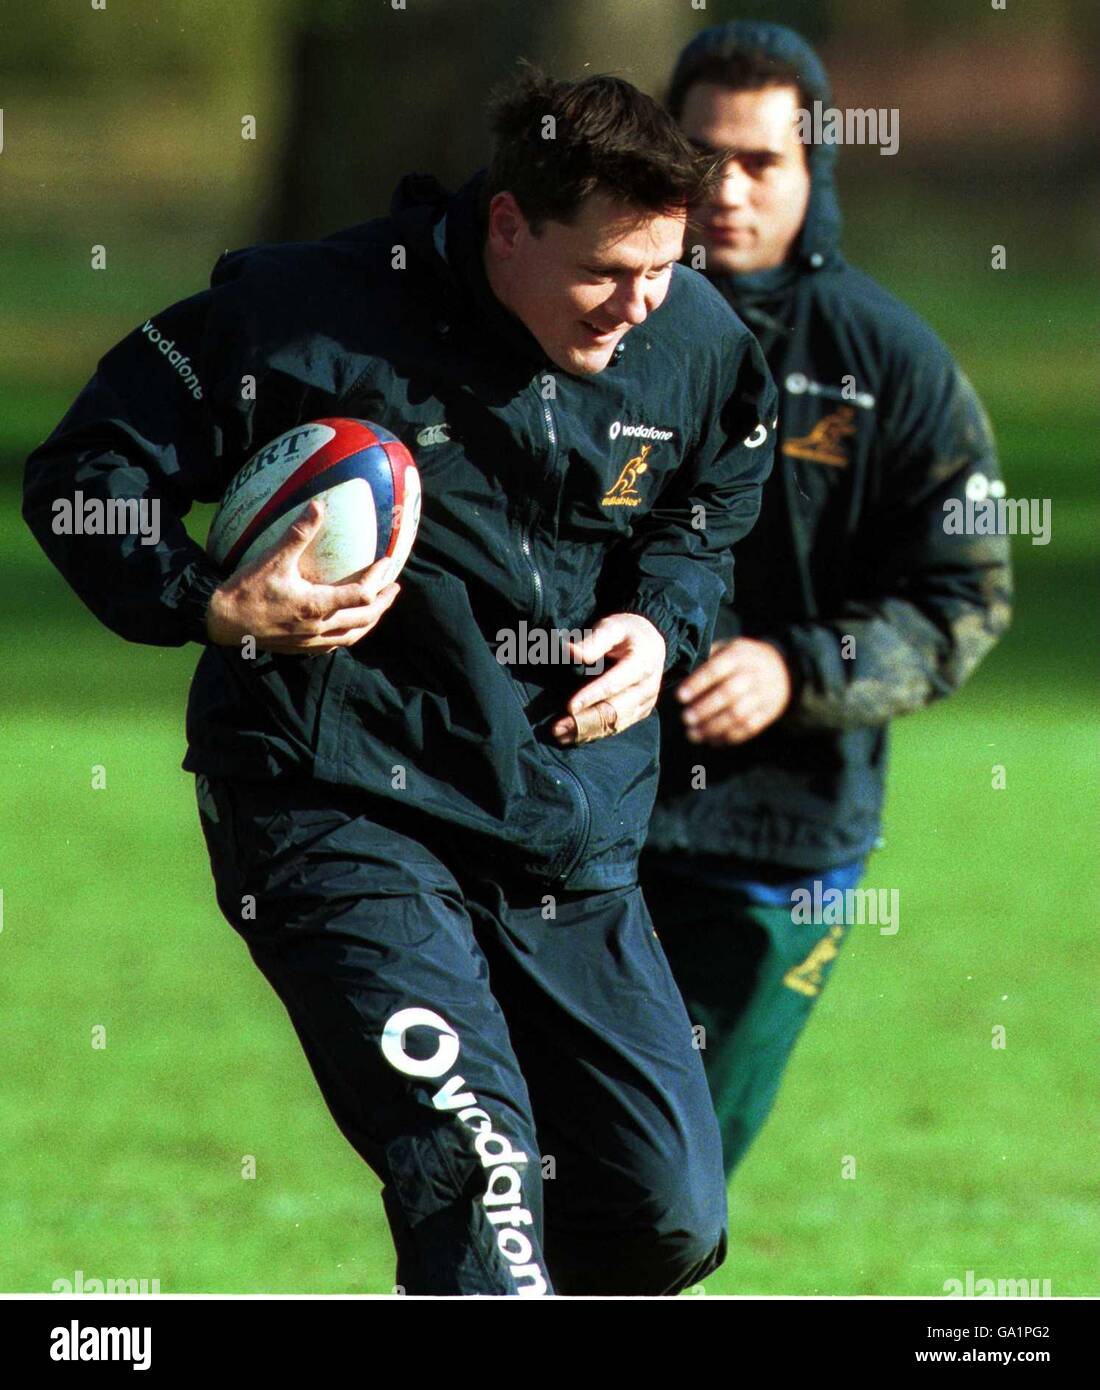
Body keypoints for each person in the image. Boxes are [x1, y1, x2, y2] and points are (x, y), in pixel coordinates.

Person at [23, 67, 777, 1295]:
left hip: (560, 831)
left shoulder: (688, 338)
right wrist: (204, 603)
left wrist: (660, 621)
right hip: (336, 808)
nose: (639, 305)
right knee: (479, 1180)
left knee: (660, 1219)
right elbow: (84, 471)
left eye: (663, 267)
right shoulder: (299, 316)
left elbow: (715, 490)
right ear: (506, 225)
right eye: (605, 272)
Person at [639, 22, 1013, 1179]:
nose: (725, 193)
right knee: (525, 1167)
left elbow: (961, 598)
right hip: (579, 819)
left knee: (666, 1186)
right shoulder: (593, 327)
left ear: (815, 172)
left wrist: (797, 669)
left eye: (760, 162)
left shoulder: (887, 362)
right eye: (701, 159)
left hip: (776, 847)